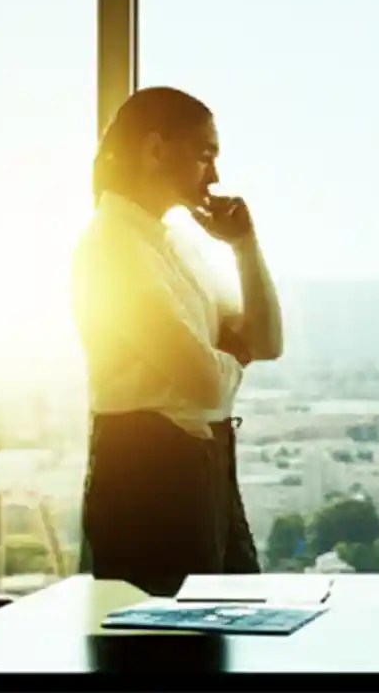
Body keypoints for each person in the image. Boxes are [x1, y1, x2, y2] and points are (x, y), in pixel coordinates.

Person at [71, 86, 284, 595]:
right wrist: (232, 356)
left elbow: (268, 340)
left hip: (205, 472)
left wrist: (244, 248)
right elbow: (205, 384)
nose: (214, 174)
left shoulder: (175, 245)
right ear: (154, 150)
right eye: (205, 154)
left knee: (234, 632)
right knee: (168, 659)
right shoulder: (112, 248)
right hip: (148, 479)